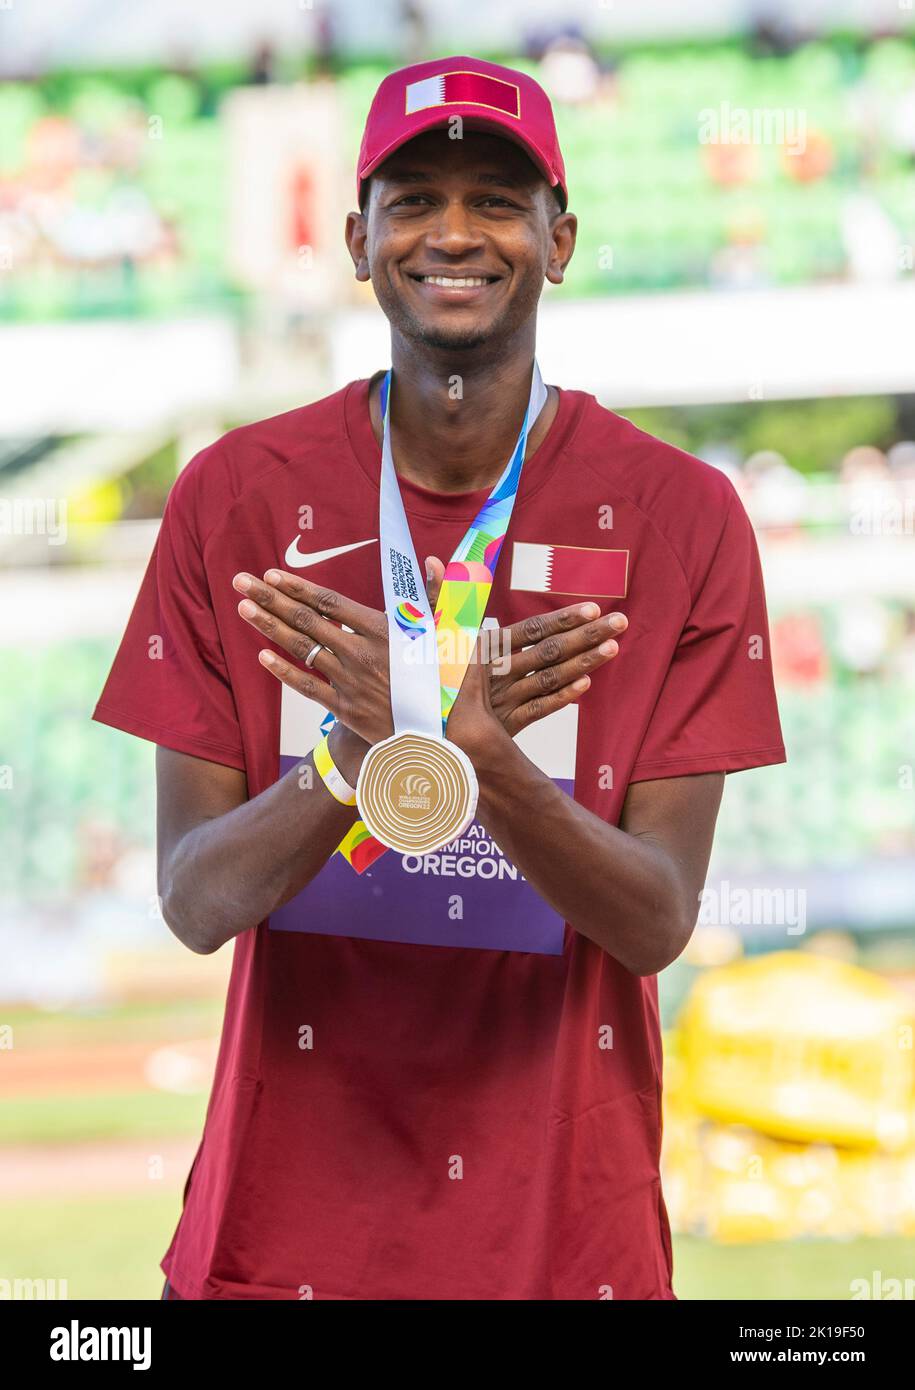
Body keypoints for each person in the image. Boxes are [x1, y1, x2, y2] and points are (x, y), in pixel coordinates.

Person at [94, 55, 786, 1301]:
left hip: (566, 1253)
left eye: (497, 199)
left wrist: (493, 766)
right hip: (281, 1243)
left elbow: (654, 921)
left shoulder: (685, 517)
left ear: (559, 239)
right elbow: (196, 903)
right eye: (411, 199)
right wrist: (355, 760)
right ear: (358, 240)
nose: (452, 232)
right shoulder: (234, 498)